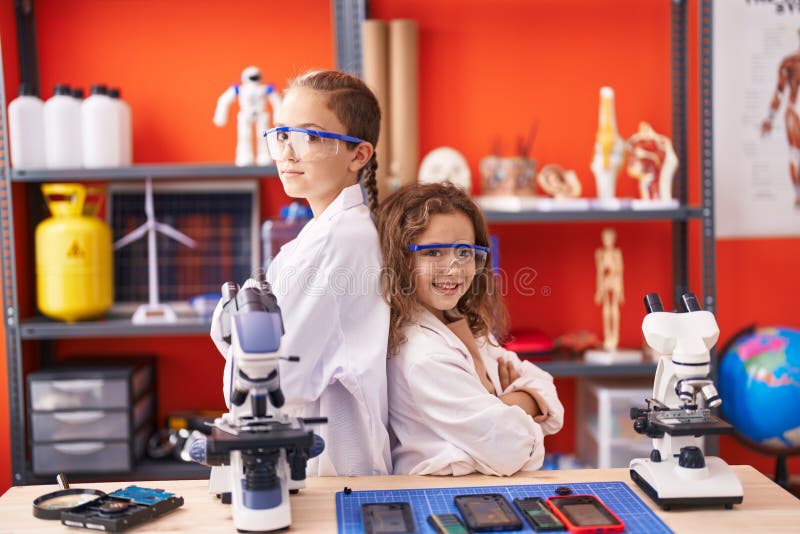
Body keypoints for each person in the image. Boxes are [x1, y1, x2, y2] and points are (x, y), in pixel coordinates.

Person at [210, 70, 391, 476]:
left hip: (329, 473)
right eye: (282, 135)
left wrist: (232, 323)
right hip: (318, 466)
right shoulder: (327, 231)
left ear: (358, 155)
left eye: (309, 137)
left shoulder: (337, 241)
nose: (288, 153)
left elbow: (263, 381)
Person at [377, 182, 563, 476]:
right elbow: (513, 448)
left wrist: (502, 408)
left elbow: (551, 396)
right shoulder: (424, 357)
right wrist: (522, 403)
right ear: (400, 259)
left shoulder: (457, 319)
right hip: (438, 495)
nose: (453, 268)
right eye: (434, 253)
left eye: (464, 252)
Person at [761, 28, 800, 208]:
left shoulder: (789, 62)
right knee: (795, 154)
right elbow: (779, 92)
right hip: (795, 110)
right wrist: (769, 118)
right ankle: (798, 195)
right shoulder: (789, 63)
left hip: (794, 110)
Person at [594, 228, 624, 352]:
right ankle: (608, 336)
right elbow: (599, 273)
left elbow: (620, 271)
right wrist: (598, 290)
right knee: (606, 309)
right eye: (605, 238)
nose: (607, 241)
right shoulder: (599, 253)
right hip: (605, 281)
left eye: (609, 238)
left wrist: (622, 290)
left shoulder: (616, 253)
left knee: (614, 308)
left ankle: (615, 336)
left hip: (615, 280)